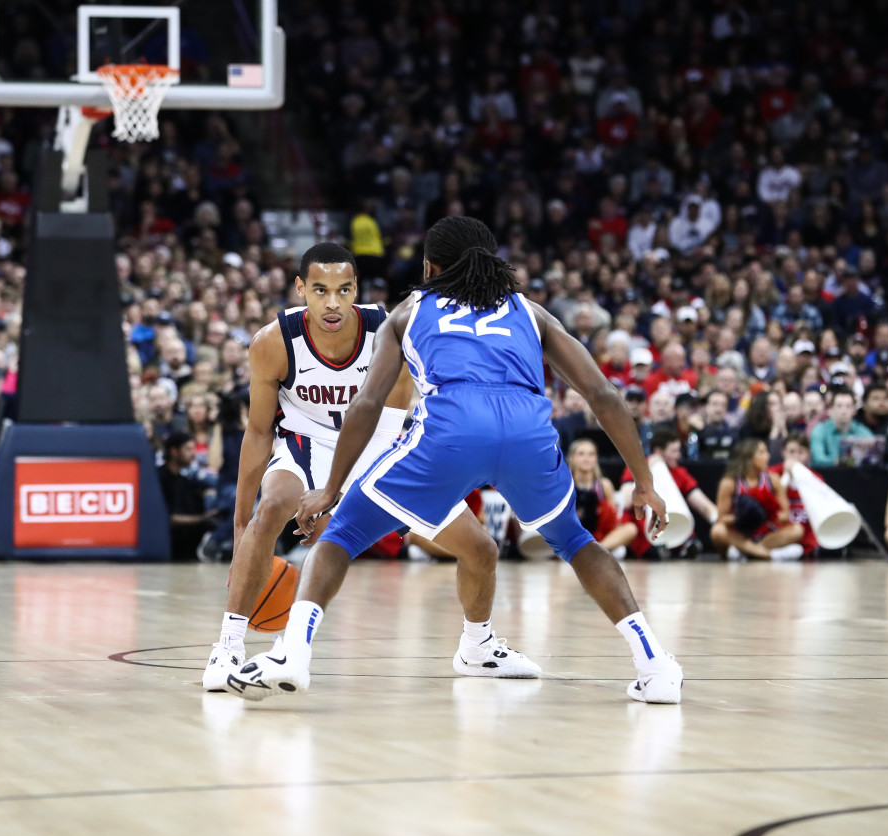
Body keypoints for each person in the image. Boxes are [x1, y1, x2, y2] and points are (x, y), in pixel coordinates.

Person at [227, 216, 681, 704]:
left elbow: (366, 404)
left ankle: (293, 653)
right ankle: (654, 664)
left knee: (340, 537)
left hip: (453, 430)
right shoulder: (530, 311)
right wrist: (644, 481)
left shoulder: (411, 310)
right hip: (528, 432)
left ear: (429, 267)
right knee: (575, 541)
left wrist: (331, 489)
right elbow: (603, 394)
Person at [203, 243, 527, 691]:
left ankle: (478, 647)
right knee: (271, 508)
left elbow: (391, 423)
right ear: (301, 289)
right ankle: (228, 647)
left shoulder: (388, 330)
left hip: (379, 443)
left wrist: (345, 500)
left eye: (343, 289)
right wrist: (242, 523)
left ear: (356, 288)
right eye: (320, 290)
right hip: (306, 442)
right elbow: (259, 433)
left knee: (481, 550)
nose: (332, 303)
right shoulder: (272, 343)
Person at [605, 429, 719, 559]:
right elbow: (626, 501)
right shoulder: (636, 469)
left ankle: (682, 546)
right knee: (650, 545)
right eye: (674, 451)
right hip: (644, 531)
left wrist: (716, 518)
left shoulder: (679, 472)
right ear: (658, 451)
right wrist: (647, 470)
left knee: (688, 540)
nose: (678, 456)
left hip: (674, 526)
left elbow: (701, 503)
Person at [709, 438, 806, 560]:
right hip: (740, 532)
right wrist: (742, 517)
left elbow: (786, 515)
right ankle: (767, 554)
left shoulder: (773, 479)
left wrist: (764, 514)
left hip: (765, 533)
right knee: (717, 531)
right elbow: (722, 519)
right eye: (762, 452)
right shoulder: (729, 483)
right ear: (749, 457)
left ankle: (743, 551)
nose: (768, 456)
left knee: (797, 530)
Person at [158, 432, 219, 559]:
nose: (193, 454)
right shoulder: (160, 478)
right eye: (188, 449)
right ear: (174, 452)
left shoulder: (184, 480)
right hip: (174, 539)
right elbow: (168, 518)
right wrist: (202, 519)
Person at [768, 434, 821, 557]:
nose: (795, 457)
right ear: (783, 452)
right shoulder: (770, 474)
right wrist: (786, 476)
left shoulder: (816, 479)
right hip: (778, 530)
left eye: (801, 452)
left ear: (808, 455)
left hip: (804, 533)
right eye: (791, 452)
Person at [565, 438, 618, 543]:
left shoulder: (604, 485)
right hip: (573, 535)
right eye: (581, 454)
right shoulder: (565, 485)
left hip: (599, 536)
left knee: (630, 529)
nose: (586, 458)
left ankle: (600, 548)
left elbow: (613, 518)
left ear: (596, 458)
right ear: (572, 457)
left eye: (591, 454)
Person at [809, 390, 874, 466]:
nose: (844, 411)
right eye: (839, 406)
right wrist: (841, 462)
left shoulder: (863, 432)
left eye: (848, 406)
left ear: (854, 410)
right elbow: (818, 460)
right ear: (831, 409)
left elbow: (872, 460)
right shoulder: (819, 430)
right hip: (827, 473)